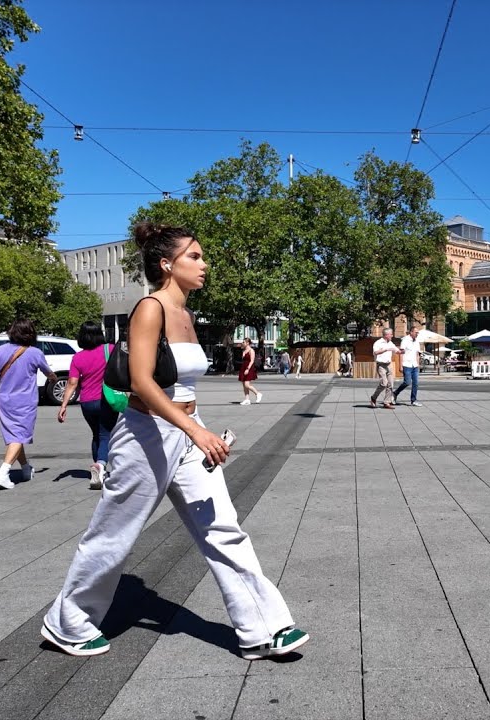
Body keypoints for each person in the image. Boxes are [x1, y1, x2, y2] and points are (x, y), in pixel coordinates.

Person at [44, 221, 308, 660]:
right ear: (167, 264)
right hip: (145, 433)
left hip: (187, 430)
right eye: (195, 256)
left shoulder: (186, 313)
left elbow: (181, 383)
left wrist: (199, 423)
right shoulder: (151, 308)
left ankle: (263, 628)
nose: (205, 264)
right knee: (114, 533)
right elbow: (142, 384)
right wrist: (195, 431)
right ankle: (67, 622)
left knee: (223, 527)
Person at [0, 319, 57, 489]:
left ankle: (26, 468)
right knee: (19, 436)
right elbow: (48, 372)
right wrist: (53, 378)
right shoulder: (35, 353)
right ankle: (3, 473)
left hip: (4, 399)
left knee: (14, 436)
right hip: (25, 401)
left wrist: (1, 389)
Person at [59, 321, 121, 489]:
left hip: (86, 402)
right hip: (106, 399)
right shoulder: (109, 349)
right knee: (105, 435)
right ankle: (100, 465)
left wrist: (63, 405)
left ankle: (98, 468)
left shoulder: (78, 357)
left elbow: (72, 382)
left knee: (96, 435)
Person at [392, 325, 423, 406]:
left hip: (414, 365)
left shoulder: (417, 341)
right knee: (407, 382)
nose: (417, 334)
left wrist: (418, 364)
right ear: (411, 332)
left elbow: (417, 354)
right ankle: (395, 393)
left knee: (415, 383)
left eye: (417, 333)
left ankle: (413, 400)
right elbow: (401, 354)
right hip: (406, 364)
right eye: (416, 332)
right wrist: (400, 365)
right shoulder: (405, 340)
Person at [370, 327, 399, 410]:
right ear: (386, 335)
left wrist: (403, 351)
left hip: (388, 364)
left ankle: (387, 402)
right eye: (391, 334)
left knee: (390, 384)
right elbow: (375, 352)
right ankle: (373, 397)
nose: (392, 335)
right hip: (381, 365)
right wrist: (385, 349)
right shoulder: (378, 343)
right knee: (384, 383)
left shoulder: (390, 343)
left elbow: (397, 351)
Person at [237, 338, 262, 405]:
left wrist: (248, 369)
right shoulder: (244, 350)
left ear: (248, 343)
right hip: (243, 367)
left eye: (244, 342)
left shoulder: (251, 350)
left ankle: (258, 393)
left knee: (247, 385)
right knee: (244, 385)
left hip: (249, 368)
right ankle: (247, 399)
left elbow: (252, 361)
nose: (242, 343)